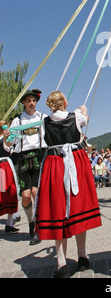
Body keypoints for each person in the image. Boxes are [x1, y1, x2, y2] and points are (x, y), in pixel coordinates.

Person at [34, 91, 102, 278]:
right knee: (77, 208)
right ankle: (82, 256)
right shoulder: (76, 117)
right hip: (76, 162)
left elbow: (42, 143)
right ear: (65, 102)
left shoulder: (44, 122)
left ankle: (61, 262)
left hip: (54, 165)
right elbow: (85, 119)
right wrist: (84, 109)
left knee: (58, 211)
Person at [3, 89, 47, 245]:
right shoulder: (17, 121)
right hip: (22, 159)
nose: (31, 103)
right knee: (26, 196)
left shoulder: (43, 118)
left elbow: (51, 135)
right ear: (23, 103)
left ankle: (39, 228)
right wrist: (7, 138)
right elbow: (9, 146)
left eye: (34, 100)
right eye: (28, 100)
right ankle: (31, 220)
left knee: (36, 192)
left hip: (39, 157)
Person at [0, 121, 20, 233]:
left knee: (5, 193)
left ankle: (9, 223)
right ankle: (9, 223)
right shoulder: (5, 139)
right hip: (4, 168)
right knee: (9, 192)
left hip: (3, 167)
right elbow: (9, 149)